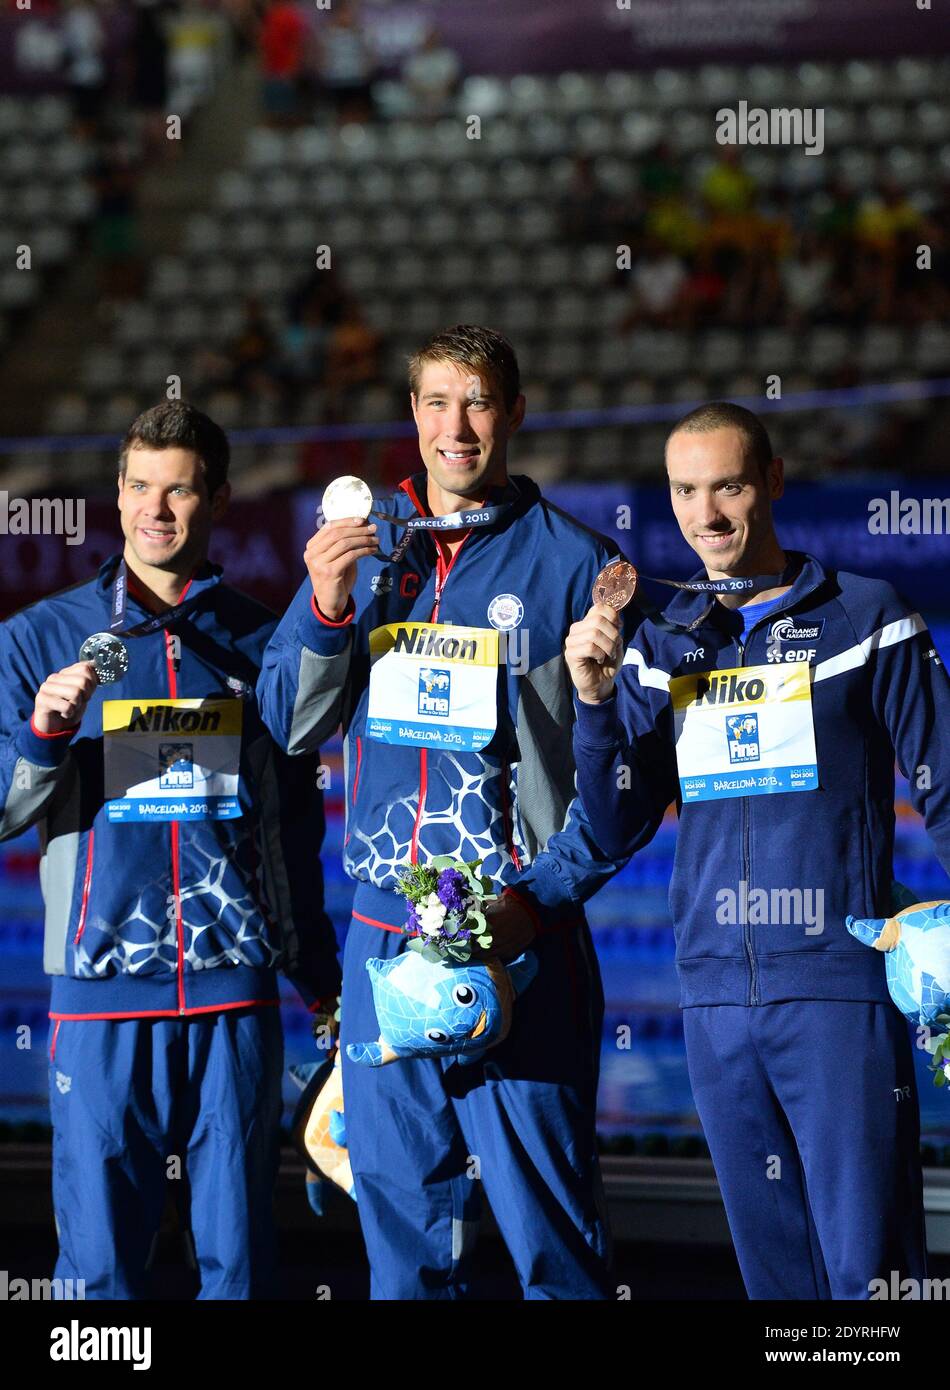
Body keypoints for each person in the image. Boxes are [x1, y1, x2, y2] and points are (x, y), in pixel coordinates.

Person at [258, 324, 631, 1299]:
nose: (454, 426)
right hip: (383, 940)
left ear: (511, 413)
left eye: (476, 403)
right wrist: (324, 604)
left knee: (551, 1238)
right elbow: (289, 727)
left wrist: (538, 899)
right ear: (411, 415)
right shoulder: (369, 552)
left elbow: (624, 783)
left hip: (518, 937)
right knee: (404, 1235)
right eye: (434, 401)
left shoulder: (573, 567)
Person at [565, 400, 950, 1300]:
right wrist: (592, 704)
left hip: (834, 987)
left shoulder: (867, 617)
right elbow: (613, 822)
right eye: (687, 492)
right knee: (774, 1280)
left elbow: (947, 784)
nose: (707, 516)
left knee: (871, 1277)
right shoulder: (665, 642)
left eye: (729, 485)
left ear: (771, 481)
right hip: (712, 1001)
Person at [0, 401, 340, 1299]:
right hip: (101, 1002)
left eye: (180, 490)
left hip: (233, 1006)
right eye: (141, 488)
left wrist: (317, 972)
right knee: (101, 1270)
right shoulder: (38, 640)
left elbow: (293, 825)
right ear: (116, 497)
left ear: (217, 499)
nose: (158, 509)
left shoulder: (261, 643)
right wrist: (42, 733)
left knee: (241, 1266)